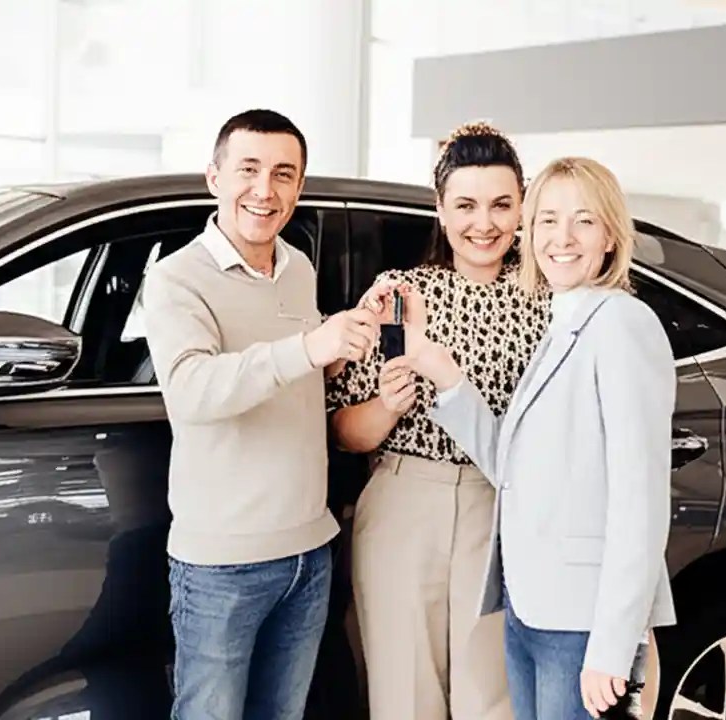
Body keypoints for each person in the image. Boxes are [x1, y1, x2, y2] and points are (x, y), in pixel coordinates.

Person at [394, 156, 677, 720]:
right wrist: (438, 368)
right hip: (530, 611)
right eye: (548, 219)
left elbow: (639, 501)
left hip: (582, 626)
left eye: (583, 221)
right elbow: (515, 465)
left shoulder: (623, 323)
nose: (562, 238)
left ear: (611, 236)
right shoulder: (566, 320)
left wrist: (614, 646)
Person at [142, 108, 384, 720]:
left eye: (284, 174)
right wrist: (309, 347)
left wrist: (342, 340)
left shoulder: (296, 268)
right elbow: (192, 391)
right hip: (222, 561)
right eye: (248, 169)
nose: (265, 189)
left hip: (309, 549)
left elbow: (291, 376)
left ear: (299, 187)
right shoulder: (176, 279)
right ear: (214, 178)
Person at [325, 121, 550, 720]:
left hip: (502, 506)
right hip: (404, 502)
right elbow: (345, 431)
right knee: (404, 699)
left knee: (493, 699)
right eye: (467, 205)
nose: (485, 223)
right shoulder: (400, 295)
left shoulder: (551, 300)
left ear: (522, 207)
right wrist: (388, 406)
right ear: (441, 211)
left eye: (501, 205)